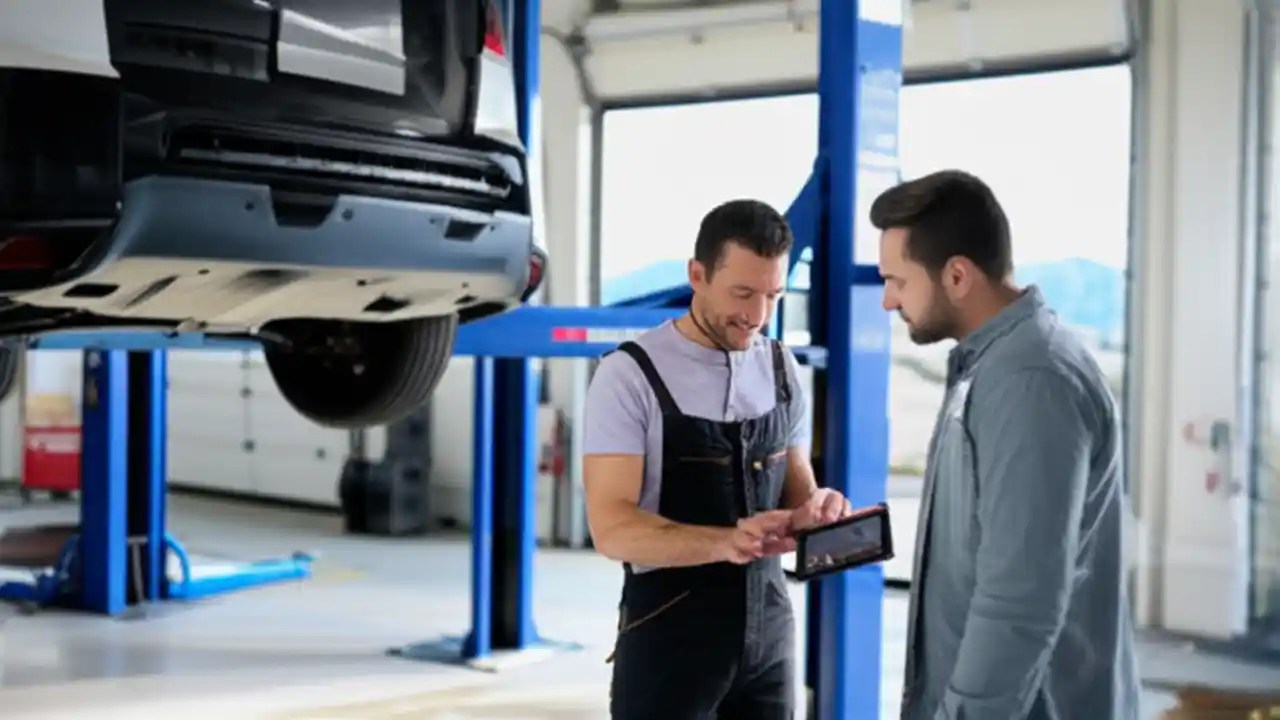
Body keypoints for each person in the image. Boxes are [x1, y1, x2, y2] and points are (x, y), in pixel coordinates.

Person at [873, 170, 1141, 720]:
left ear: (956, 275)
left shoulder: (1029, 379)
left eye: (897, 280)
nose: (886, 300)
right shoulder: (990, 362)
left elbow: (1018, 601)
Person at [582, 198, 856, 719]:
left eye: (773, 295)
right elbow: (611, 527)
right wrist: (726, 541)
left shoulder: (781, 368)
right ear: (697, 275)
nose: (757, 316)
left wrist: (818, 510)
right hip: (669, 636)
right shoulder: (630, 375)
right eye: (743, 293)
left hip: (770, 635)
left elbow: (798, 491)